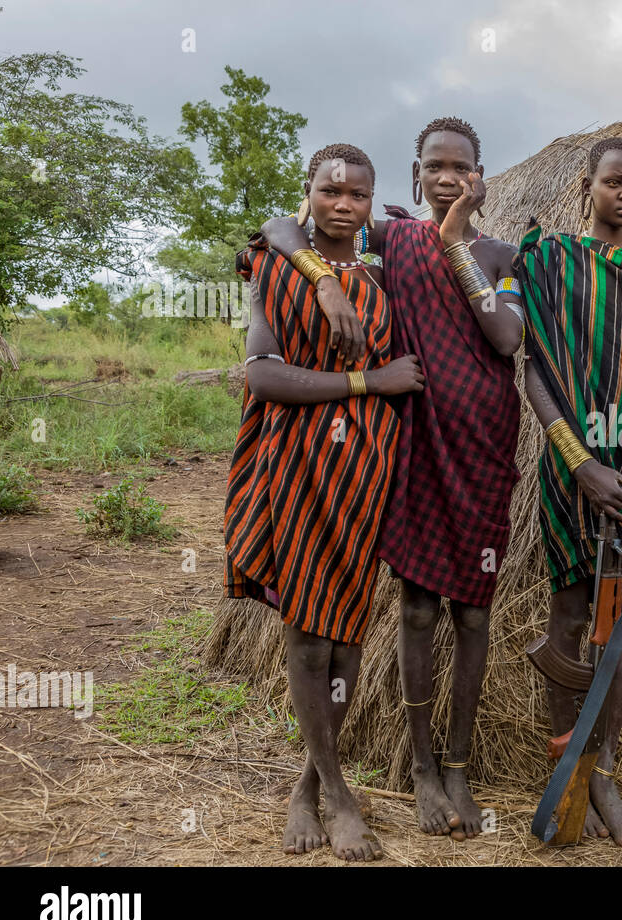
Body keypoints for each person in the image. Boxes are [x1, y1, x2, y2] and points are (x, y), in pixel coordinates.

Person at [260, 117, 522, 840]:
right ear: (413, 177)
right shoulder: (383, 239)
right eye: (434, 166)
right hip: (414, 444)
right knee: (416, 610)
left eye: (461, 167)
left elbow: (505, 336)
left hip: (484, 448)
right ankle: (419, 770)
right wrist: (323, 283)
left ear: (479, 175)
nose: (447, 177)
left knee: (474, 615)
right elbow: (282, 227)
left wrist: (456, 238)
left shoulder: (501, 254)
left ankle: (459, 765)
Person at [225, 144, 425, 860]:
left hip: (366, 470)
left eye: (357, 195)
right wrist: (368, 380)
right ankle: (339, 796)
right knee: (308, 636)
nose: (343, 204)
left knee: (347, 635)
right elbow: (267, 378)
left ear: (372, 202)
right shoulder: (276, 269)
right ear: (309, 192)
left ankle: (310, 783)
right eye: (329, 191)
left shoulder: (384, 271)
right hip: (297, 467)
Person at [514, 136, 622, 846]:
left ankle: (605, 774)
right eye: (614, 181)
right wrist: (579, 460)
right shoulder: (551, 260)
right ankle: (571, 772)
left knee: (616, 632)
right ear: (587, 185)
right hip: (574, 463)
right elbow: (533, 368)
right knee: (568, 618)